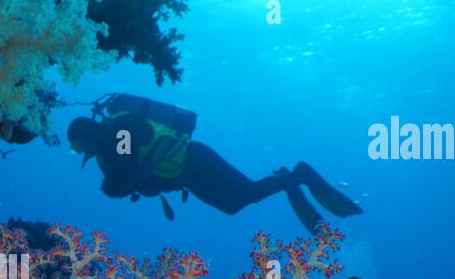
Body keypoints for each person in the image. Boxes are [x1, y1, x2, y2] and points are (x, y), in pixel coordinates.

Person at [66, 94, 363, 234]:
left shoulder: (122, 130)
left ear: (90, 135)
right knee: (234, 205)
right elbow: (124, 178)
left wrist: (116, 182)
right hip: (187, 176)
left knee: (245, 193)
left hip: (194, 158)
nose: (83, 153)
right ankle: (289, 179)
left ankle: (300, 175)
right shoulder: (111, 149)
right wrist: (116, 182)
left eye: (80, 145)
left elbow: (126, 168)